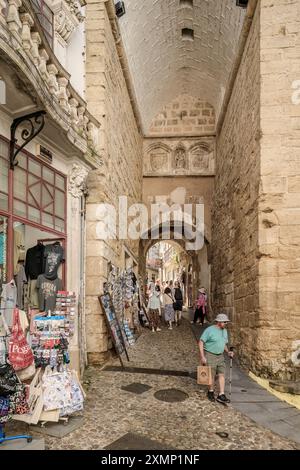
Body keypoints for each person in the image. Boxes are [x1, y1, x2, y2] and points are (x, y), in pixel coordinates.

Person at [199, 313, 234, 404]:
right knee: (211, 375)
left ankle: (221, 394)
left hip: (220, 355)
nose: (226, 323)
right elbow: (201, 342)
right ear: (219, 322)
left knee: (222, 374)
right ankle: (210, 391)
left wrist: (228, 352)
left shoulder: (225, 331)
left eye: (226, 322)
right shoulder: (209, 330)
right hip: (210, 355)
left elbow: (224, 344)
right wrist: (202, 356)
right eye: (225, 322)